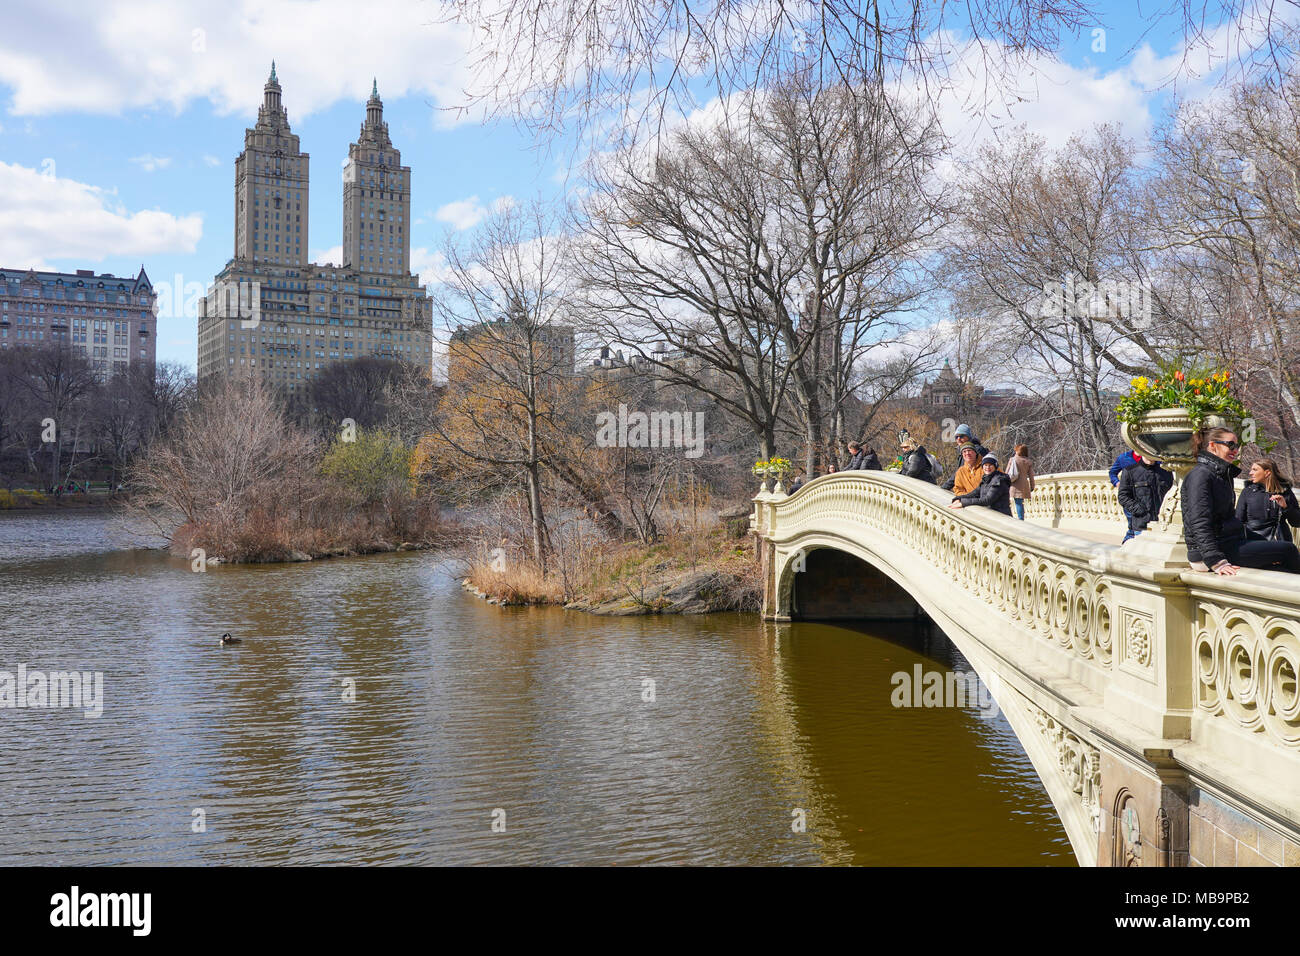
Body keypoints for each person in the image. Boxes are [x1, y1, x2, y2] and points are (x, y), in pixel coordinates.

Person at [1183, 427, 1300, 574]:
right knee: (1289, 550)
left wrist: (1265, 546)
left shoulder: (1220, 475)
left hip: (1227, 543)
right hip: (1211, 553)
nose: (1235, 450)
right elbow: (1199, 521)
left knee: (1278, 563)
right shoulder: (1201, 475)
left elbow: (1230, 521)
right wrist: (1216, 562)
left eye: (1237, 446)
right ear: (1212, 445)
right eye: (1231, 445)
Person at [1236, 458, 1300, 544]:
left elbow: (1297, 522)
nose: (1250, 473)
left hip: (1280, 543)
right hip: (1252, 542)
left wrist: (1286, 507)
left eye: (1255, 470)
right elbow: (1238, 520)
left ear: (1267, 473)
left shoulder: (1285, 492)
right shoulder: (1248, 492)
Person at [1117, 454, 1173, 543]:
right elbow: (1123, 497)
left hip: (1163, 525)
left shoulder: (1165, 471)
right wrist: (1140, 510)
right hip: (1142, 526)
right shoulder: (1130, 471)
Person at [948, 453, 1012, 516]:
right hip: (991, 515)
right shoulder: (986, 479)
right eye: (985, 465)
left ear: (995, 466)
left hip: (1001, 516)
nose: (987, 467)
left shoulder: (999, 481)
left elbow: (987, 500)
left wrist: (963, 503)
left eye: (990, 465)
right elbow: (974, 494)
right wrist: (958, 499)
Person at [941, 424, 989, 491]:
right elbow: (960, 472)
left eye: (961, 436)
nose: (958, 439)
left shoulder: (976, 450)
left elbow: (961, 473)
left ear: (968, 437)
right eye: (956, 437)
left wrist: (944, 488)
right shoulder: (962, 450)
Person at [1006, 444, 1036, 520]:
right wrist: (1032, 486)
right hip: (1024, 484)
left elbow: (1006, 472)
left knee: (1013, 502)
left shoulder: (1012, 460)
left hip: (1014, 483)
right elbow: (1031, 476)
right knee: (1019, 502)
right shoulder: (1028, 462)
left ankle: (1013, 518)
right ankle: (1021, 518)